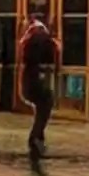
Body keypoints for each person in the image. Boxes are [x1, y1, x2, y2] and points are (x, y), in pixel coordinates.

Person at [18, 13, 60, 160]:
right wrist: (54, 42)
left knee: (42, 106)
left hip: (28, 79)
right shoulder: (39, 35)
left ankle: (38, 138)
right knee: (46, 102)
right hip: (33, 79)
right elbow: (49, 48)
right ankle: (35, 138)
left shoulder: (30, 34)